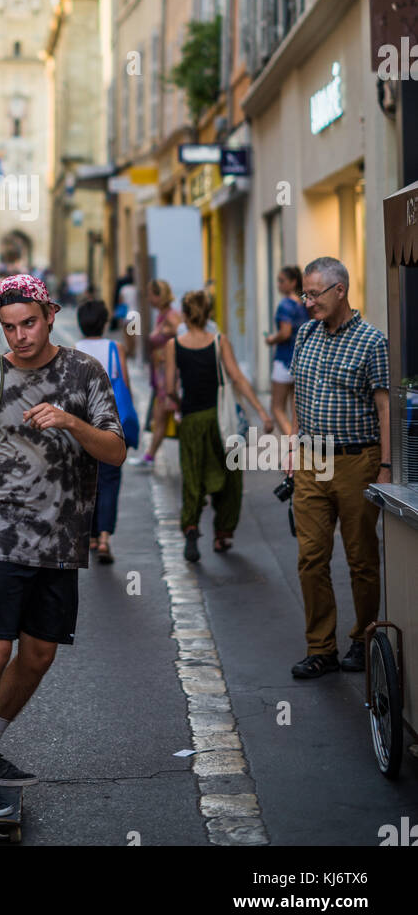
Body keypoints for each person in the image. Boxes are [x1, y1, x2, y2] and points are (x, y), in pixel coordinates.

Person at [0, 274, 125, 818]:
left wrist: (71, 422)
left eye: (28, 324)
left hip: (62, 535)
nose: (19, 336)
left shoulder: (83, 371)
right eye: (9, 327)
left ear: (49, 315)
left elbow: (115, 450)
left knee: (39, 654)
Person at [287, 257, 390, 680]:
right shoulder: (305, 334)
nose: (308, 302)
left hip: (356, 462)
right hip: (311, 461)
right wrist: (293, 446)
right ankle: (321, 648)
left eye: (314, 294)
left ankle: (364, 638)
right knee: (311, 557)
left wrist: (385, 466)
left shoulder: (372, 342)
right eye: (304, 294)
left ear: (340, 291)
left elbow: (385, 408)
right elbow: (299, 393)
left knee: (361, 559)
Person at [164, 291, 274, 562]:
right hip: (223, 419)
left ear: (186, 315)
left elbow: (168, 388)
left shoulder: (173, 344)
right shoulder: (219, 342)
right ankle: (223, 534)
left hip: (191, 420)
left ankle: (191, 527)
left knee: (193, 476)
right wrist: (262, 412)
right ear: (209, 314)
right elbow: (237, 378)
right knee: (230, 476)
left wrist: (180, 404)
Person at [75, 297, 134, 564]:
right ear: (105, 322)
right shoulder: (114, 348)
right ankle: (105, 539)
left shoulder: (73, 351)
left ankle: (90, 535)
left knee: (88, 480)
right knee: (110, 480)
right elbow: (126, 386)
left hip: (84, 427)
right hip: (111, 425)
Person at [129, 279, 182, 469]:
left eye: (151, 294)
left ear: (159, 296)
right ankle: (150, 455)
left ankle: (150, 456)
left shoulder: (171, 316)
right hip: (160, 373)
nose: (149, 299)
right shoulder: (162, 315)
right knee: (163, 416)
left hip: (168, 374)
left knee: (166, 415)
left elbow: (182, 335)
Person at [266, 266, 309, 437]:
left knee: (277, 407)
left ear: (293, 282)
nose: (278, 285)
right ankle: (298, 444)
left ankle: (293, 444)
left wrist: (271, 339)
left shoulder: (285, 305)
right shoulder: (305, 303)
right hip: (301, 360)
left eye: (282, 281)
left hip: (284, 361)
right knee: (296, 410)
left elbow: (285, 333)